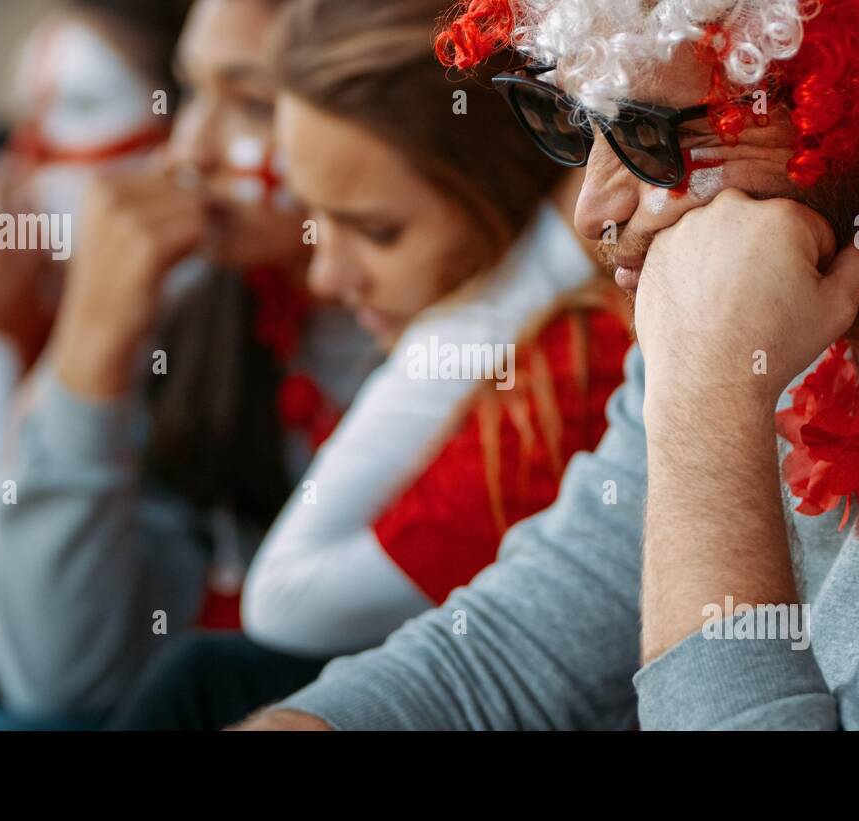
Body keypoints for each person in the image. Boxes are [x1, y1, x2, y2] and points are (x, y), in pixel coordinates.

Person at [241, 0, 859, 730]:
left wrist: (708, 408)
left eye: (653, 135)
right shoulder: (748, 279)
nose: (595, 207)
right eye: (571, 120)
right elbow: (516, 651)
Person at [109, 0, 631, 731]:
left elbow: (287, 597)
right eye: (316, 215)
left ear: (506, 184)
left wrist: (539, 259)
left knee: (205, 681)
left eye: (377, 230)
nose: (326, 275)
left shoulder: (573, 364)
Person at [0, 0, 379, 727]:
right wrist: (81, 345)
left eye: (253, 104)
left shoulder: (448, 346)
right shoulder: (201, 320)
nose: (187, 151)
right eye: (189, 92)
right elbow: (53, 668)